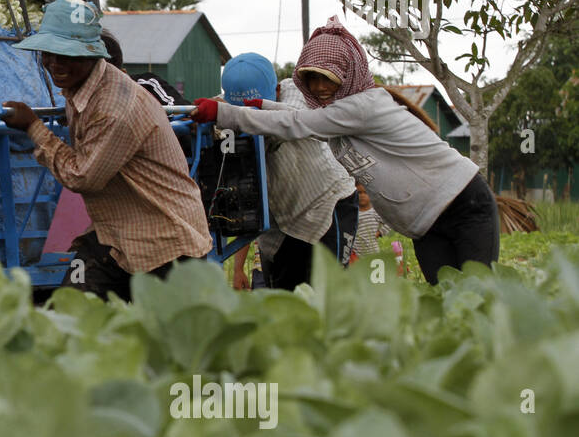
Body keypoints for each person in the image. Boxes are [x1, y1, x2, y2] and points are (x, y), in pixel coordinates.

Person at [191, 17, 497, 283]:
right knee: (448, 296)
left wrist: (224, 114)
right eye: (312, 79)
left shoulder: (361, 105)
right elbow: (300, 117)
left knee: (478, 294)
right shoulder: (339, 110)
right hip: (426, 225)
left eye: (329, 78)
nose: (320, 87)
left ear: (348, 73)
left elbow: (300, 124)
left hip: (463, 204)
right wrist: (262, 106)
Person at [4, 0, 211, 301]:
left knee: (164, 343)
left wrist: (34, 127)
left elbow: (83, 177)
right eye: (49, 52)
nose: (55, 63)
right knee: (70, 315)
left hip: (165, 245)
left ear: (92, 54)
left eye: (67, 53)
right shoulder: (82, 87)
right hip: (116, 237)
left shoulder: (116, 107)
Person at [222, 54, 359, 292]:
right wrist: (237, 268)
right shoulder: (228, 117)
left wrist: (256, 111)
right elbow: (245, 198)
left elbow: (293, 120)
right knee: (285, 304)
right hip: (280, 228)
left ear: (275, 89)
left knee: (329, 295)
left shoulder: (295, 93)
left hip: (326, 205)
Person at [352, 182, 390, 258]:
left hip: (372, 250)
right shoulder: (353, 213)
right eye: (359, 193)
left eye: (365, 193)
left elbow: (389, 222)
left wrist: (380, 232)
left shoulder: (375, 212)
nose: (362, 196)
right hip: (355, 252)